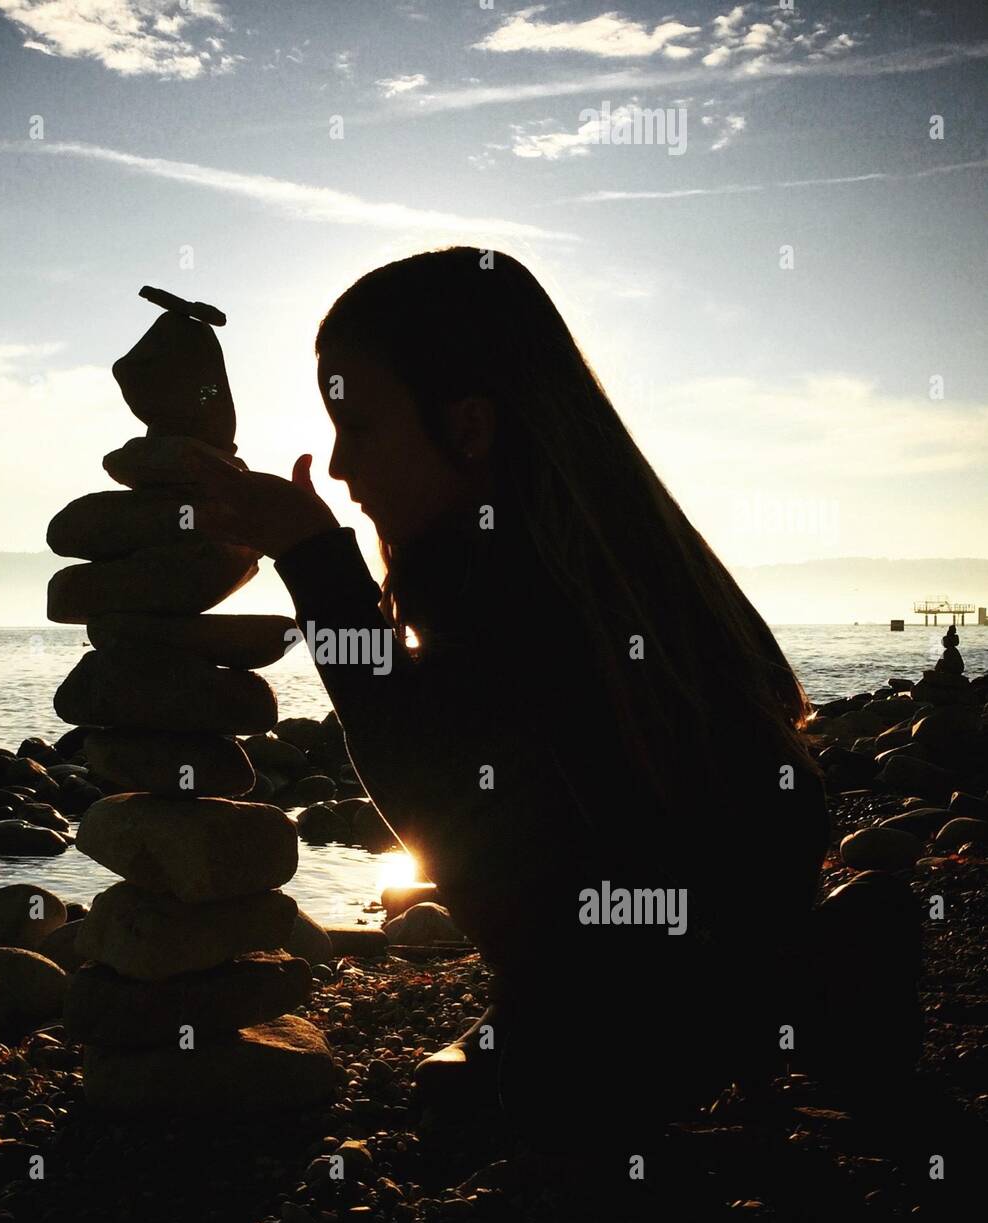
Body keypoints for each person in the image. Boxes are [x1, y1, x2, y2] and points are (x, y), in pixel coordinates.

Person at [108, 248, 911, 1147]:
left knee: (478, 1109)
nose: (336, 465)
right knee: (519, 1049)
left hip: (634, 996)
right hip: (721, 946)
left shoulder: (507, 592)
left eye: (359, 425)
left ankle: (699, 1031)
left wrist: (314, 557)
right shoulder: (625, 562)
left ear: (471, 428)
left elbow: (425, 783)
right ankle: (805, 977)